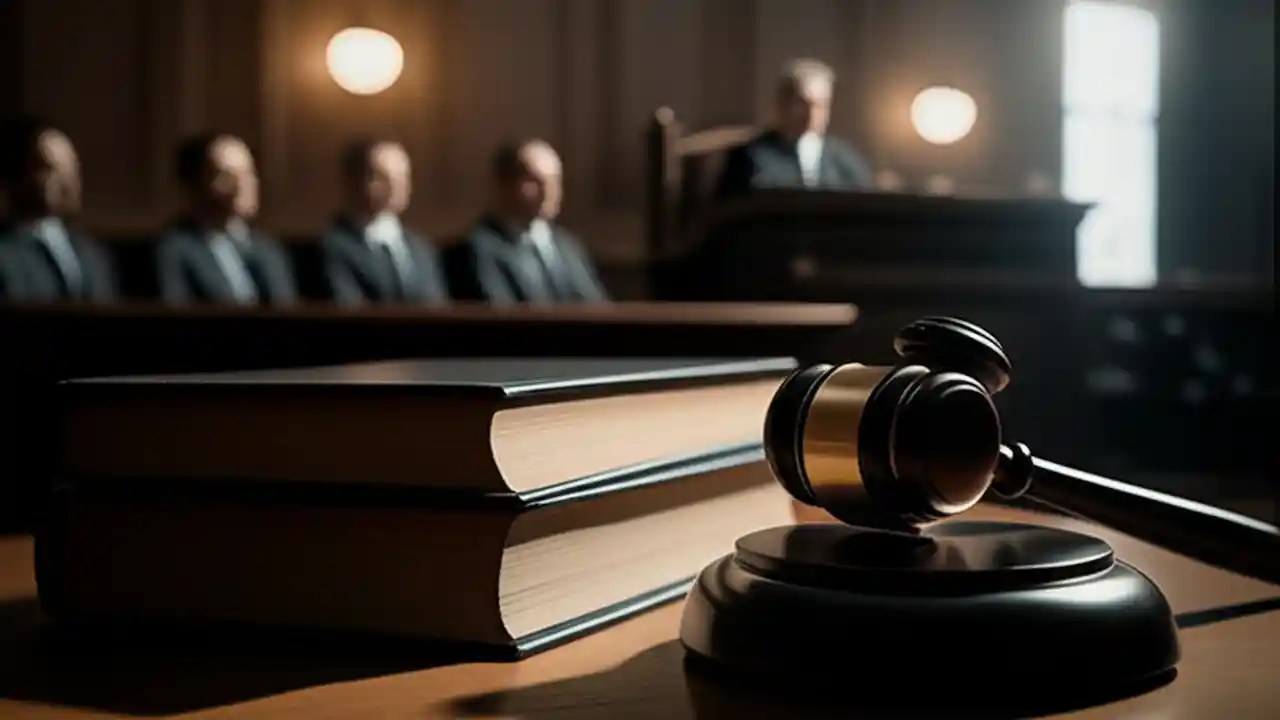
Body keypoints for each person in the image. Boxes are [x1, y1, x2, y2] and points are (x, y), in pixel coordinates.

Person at [445, 139, 608, 304]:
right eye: (536, 180)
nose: (549, 190)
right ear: (505, 185)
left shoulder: (566, 245)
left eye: (555, 179)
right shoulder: (477, 250)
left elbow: (596, 306)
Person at [156, 133, 297, 305]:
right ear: (195, 184)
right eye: (226, 176)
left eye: (248, 173)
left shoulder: (267, 247)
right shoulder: (173, 248)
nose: (241, 185)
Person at [715, 58, 874, 197]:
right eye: (802, 104)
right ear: (782, 105)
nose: (811, 114)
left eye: (820, 105)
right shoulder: (750, 158)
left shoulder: (844, 161)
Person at [0, 116, 117, 303]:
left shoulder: (91, 250)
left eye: (71, 167)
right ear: (18, 175)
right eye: (50, 168)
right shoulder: (6, 251)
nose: (67, 180)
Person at [319, 139, 448, 305]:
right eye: (382, 177)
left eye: (402, 176)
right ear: (354, 181)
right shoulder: (332, 247)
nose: (396, 186)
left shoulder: (421, 247)